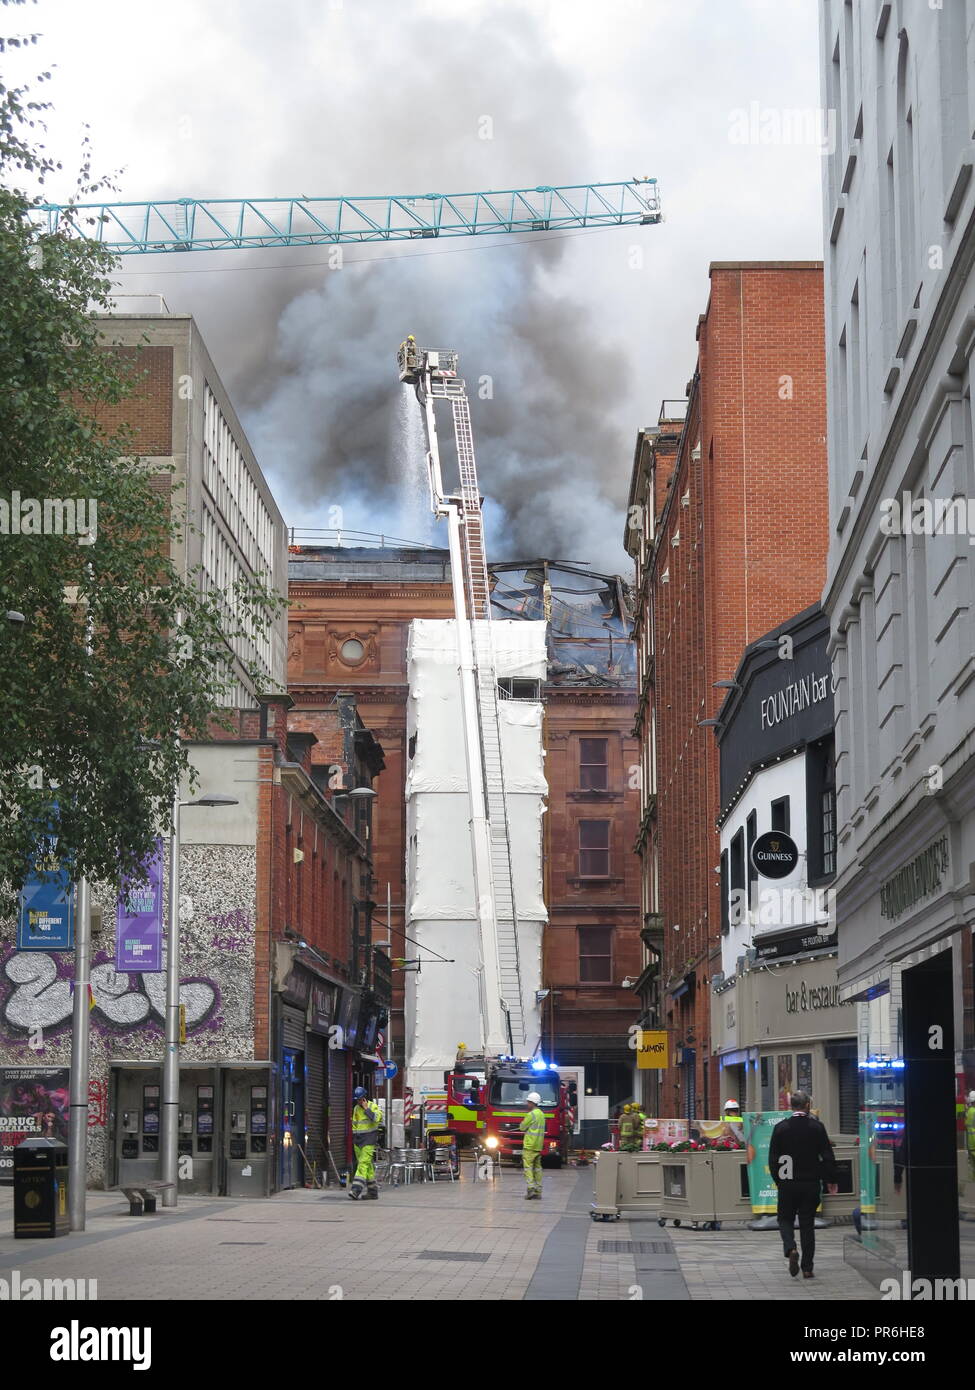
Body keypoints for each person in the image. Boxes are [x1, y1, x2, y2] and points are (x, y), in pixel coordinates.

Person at [768, 1090, 839, 1279]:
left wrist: (779, 1180)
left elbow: (773, 1159)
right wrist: (831, 1179)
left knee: (784, 1219)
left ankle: (790, 1248)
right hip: (810, 1183)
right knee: (807, 1224)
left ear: (791, 1105)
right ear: (807, 1105)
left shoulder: (781, 1128)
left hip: (788, 1183)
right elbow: (827, 1156)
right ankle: (807, 1268)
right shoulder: (816, 1127)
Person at [349, 1086, 383, 1200]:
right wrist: (354, 1138)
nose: (358, 1101)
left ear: (364, 1098)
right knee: (367, 1167)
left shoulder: (373, 1106)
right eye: (357, 1100)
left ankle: (355, 1190)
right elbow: (354, 1124)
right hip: (358, 1141)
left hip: (369, 1140)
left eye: (360, 1099)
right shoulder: (356, 1109)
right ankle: (373, 1192)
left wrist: (366, 1109)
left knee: (362, 1164)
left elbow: (376, 1119)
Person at [519, 1091, 546, 1199]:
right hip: (538, 1146)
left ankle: (531, 1189)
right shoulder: (541, 1114)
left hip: (529, 1146)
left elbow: (522, 1127)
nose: (527, 1104)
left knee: (528, 1168)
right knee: (537, 1169)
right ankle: (538, 1191)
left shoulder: (531, 1114)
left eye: (528, 1102)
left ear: (532, 1103)